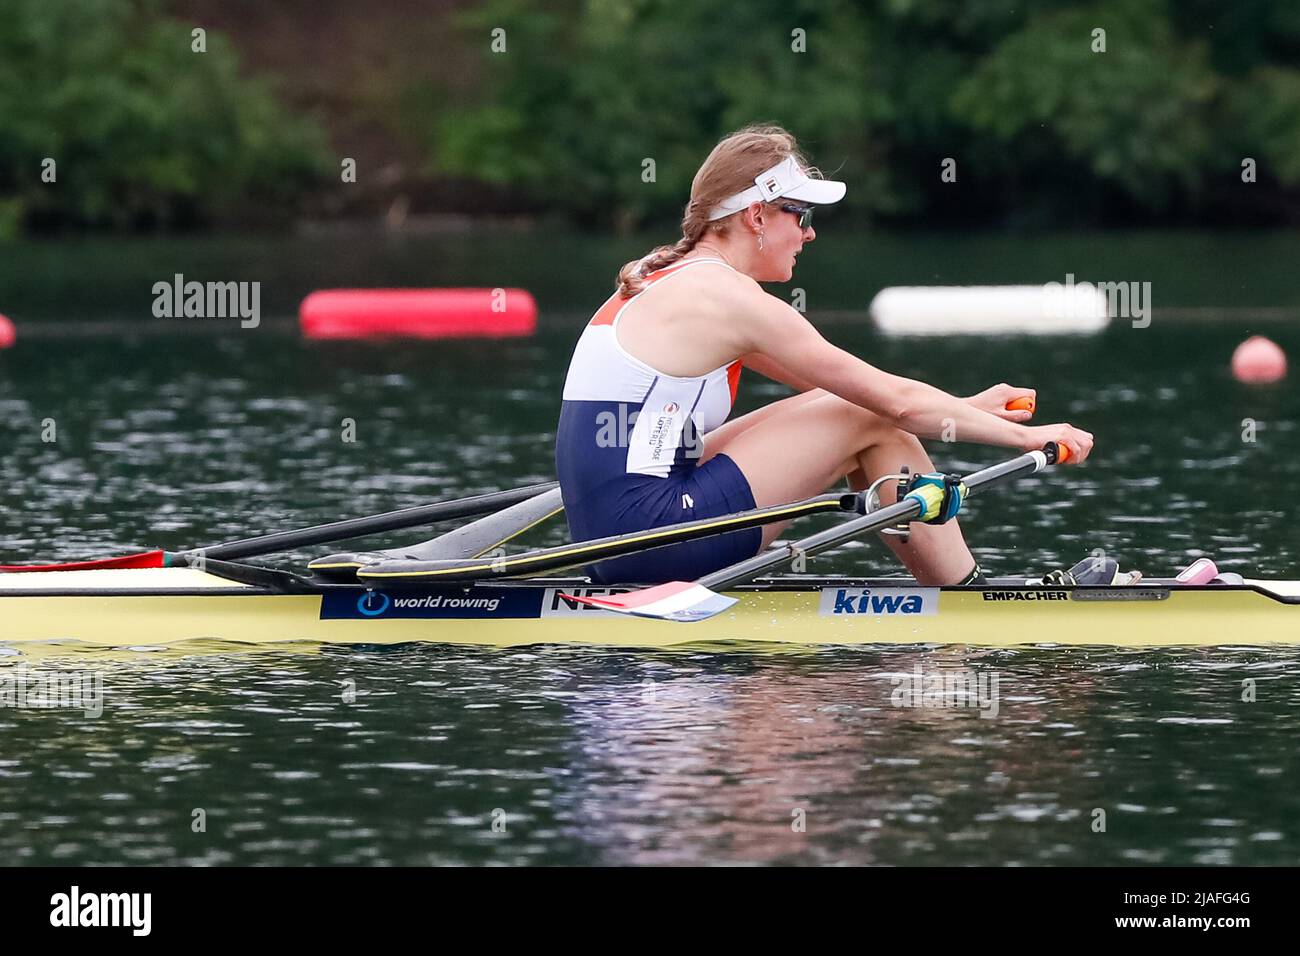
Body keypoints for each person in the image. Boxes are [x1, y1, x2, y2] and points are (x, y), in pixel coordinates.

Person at [555, 124, 1093, 585]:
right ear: (758, 215)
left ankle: (959, 595)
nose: (809, 234)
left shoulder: (666, 275)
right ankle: (969, 598)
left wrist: (966, 408)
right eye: (801, 214)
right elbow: (892, 404)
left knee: (844, 405)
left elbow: (854, 390)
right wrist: (1028, 438)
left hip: (618, 539)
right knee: (867, 416)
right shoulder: (727, 298)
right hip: (652, 541)